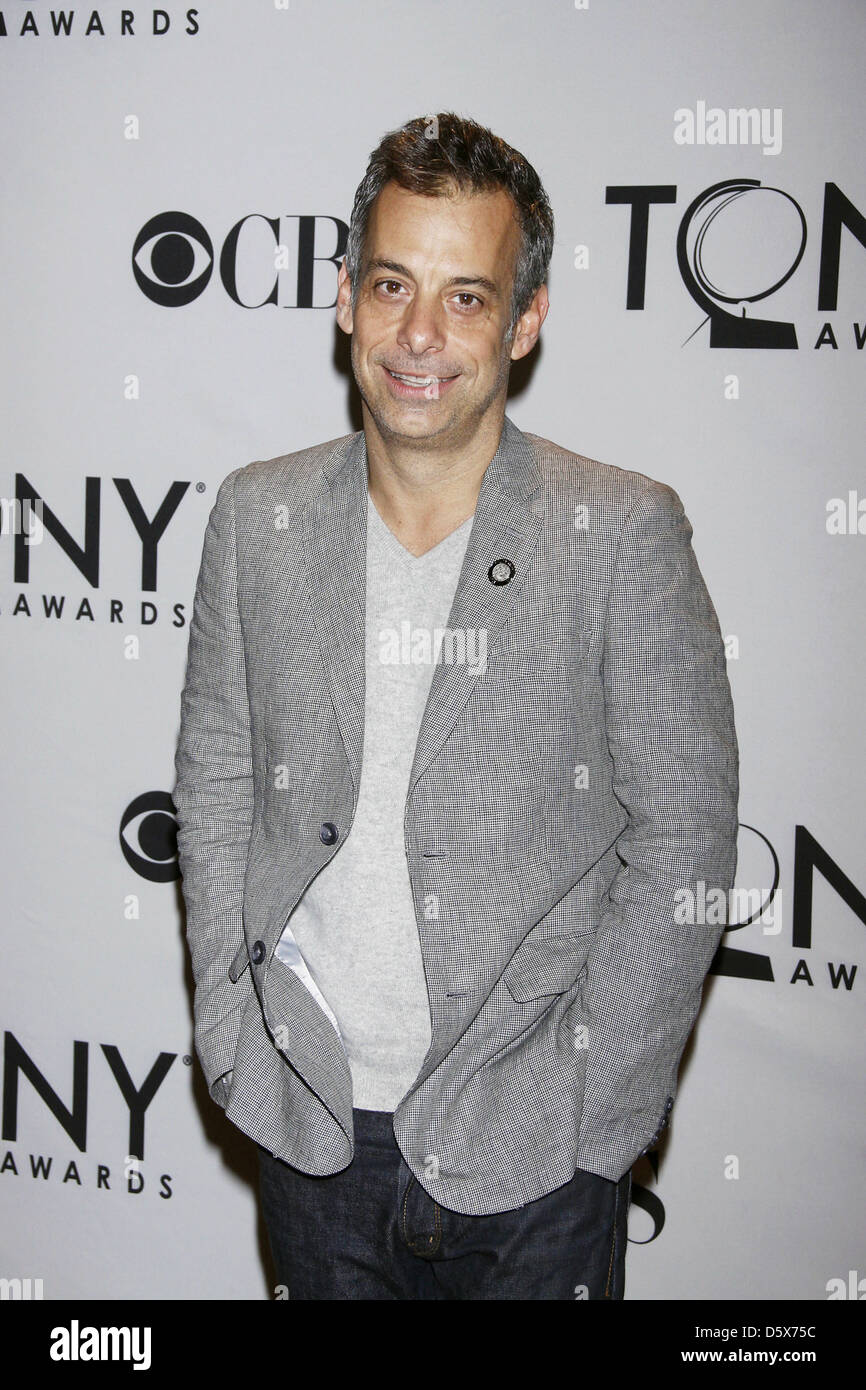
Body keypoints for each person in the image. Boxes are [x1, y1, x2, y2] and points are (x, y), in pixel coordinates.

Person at [173, 111, 739, 1300]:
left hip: (536, 1155)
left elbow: (683, 840)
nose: (419, 334)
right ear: (342, 298)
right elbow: (218, 776)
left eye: (467, 297)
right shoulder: (255, 520)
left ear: (524, 321)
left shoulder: (620, 531)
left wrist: (602, 1113)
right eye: (390, 284)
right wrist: (232, 1034)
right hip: (311, 1132)